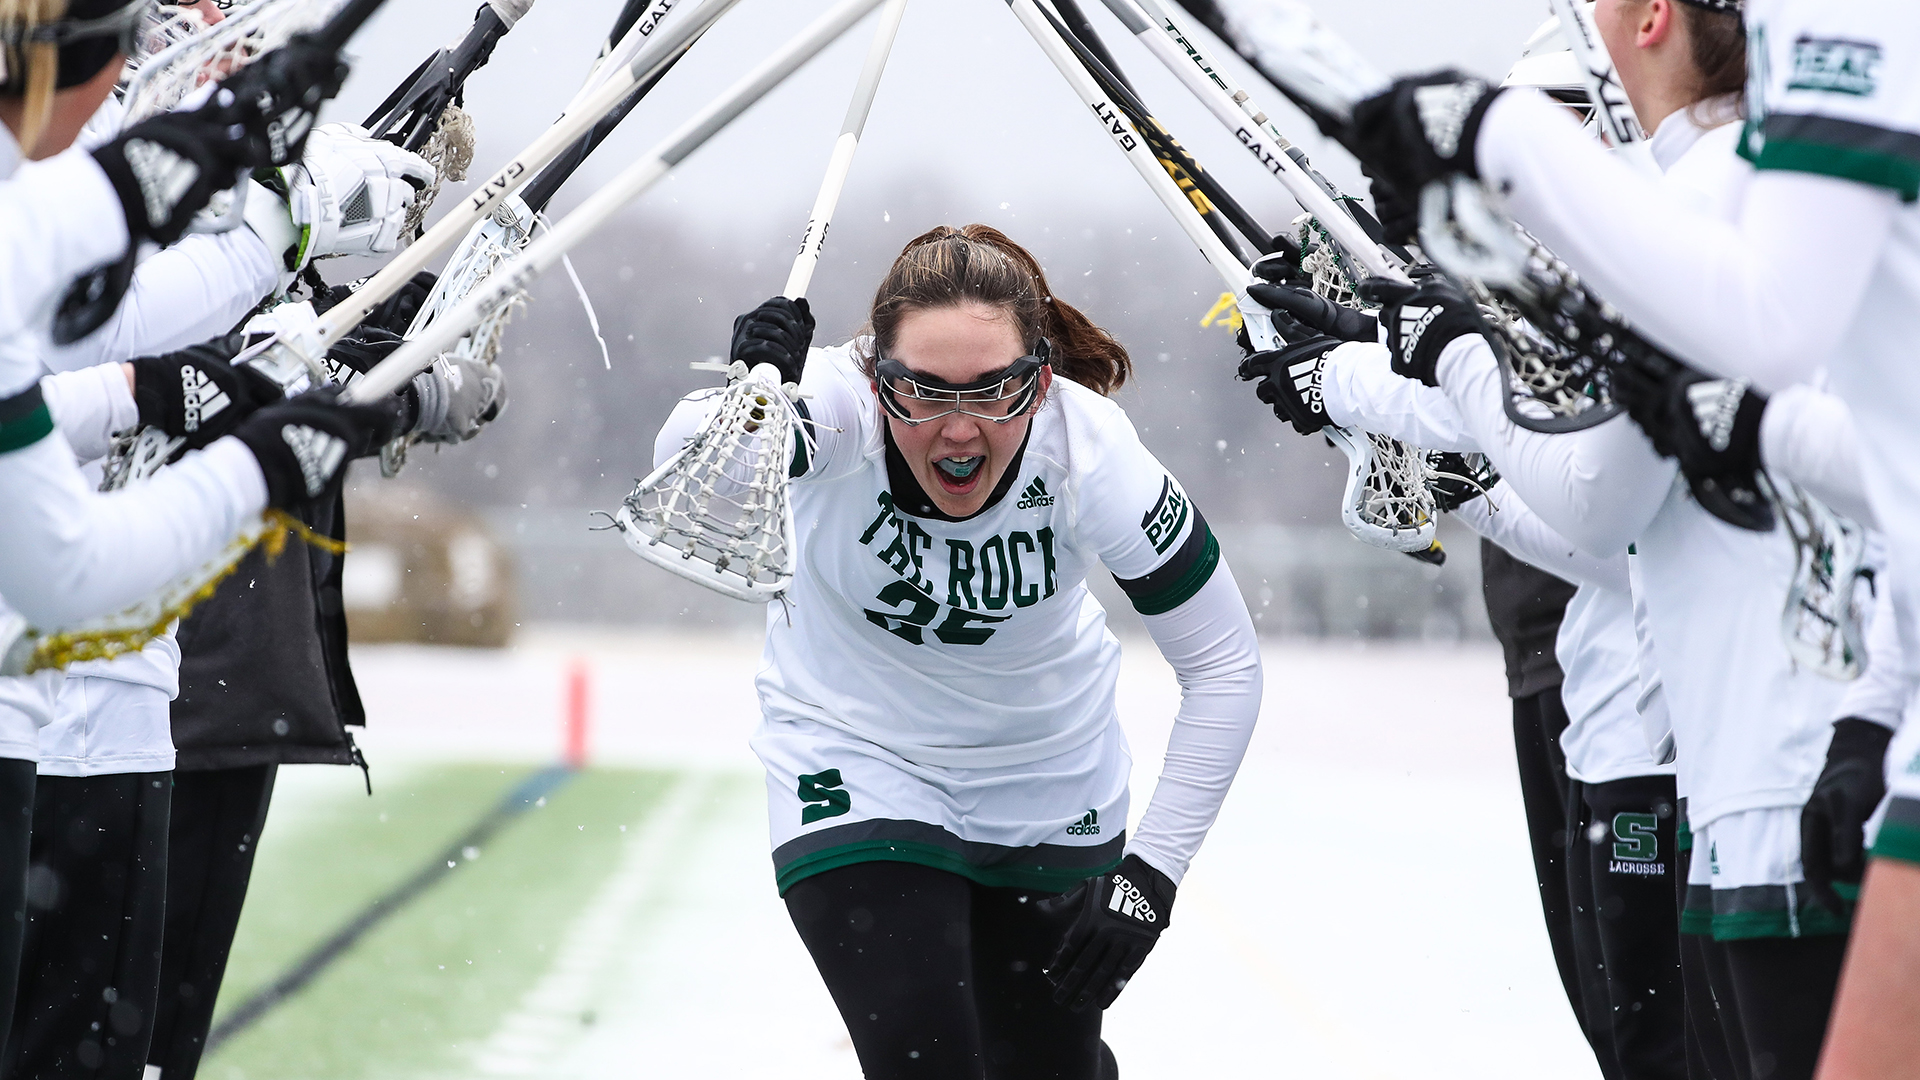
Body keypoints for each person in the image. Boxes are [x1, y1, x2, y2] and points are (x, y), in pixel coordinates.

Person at [652, 225, 1262, 1078]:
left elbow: (1225, 667)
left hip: (1050, 781)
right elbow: (686, 463)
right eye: (926, 392)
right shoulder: (833, 404)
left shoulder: (1090, 452)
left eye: (993, 391)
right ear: (877, 379)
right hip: (858, 759)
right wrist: (744, 399)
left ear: (1041, 379)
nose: (960, 430)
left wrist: (1151, 878)